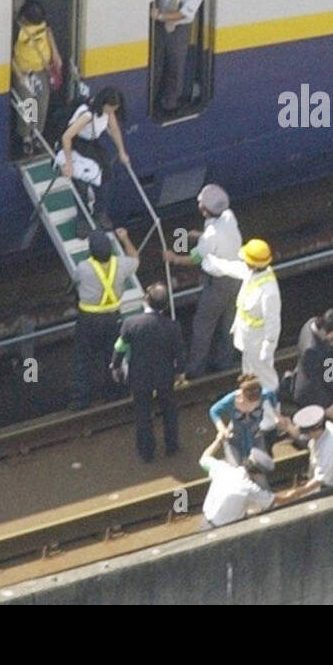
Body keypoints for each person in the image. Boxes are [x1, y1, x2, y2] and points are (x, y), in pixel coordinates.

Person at [165, 184, 243, 378]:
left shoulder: (210, 237)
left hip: (217, 284)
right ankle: (224, 363)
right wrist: (198, 236)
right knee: (228, 323)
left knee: (203, 327)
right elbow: (222, 237)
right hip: (237, 278)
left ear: (204, 210)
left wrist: (173, 258)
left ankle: (195, 370)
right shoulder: (229, 216)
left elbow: (196, 258)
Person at [111, 282, 185, 462]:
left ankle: (146, 452)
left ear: (146, 300)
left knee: (142, 414)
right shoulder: (173, 326)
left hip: (140, 375)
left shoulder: (131, 323)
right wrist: (180, 372)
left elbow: (120, 347)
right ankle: (172, 445)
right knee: (169, 409)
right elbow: (179, 352)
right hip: (164, 375)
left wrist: (115, 366)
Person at [70, 228, 140, 410]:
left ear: (91, 251)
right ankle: (116, 393)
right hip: (112, 319)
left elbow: (74, 282)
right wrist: (125, 238)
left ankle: (81, 400)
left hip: (88, 320)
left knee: (83, 359)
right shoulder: (122, 265)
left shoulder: (83, 268)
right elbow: (135, 258)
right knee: (112, 356)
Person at [204, 239, 281, 392]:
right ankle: (252, 406)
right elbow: (230, 267)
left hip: (258, 343)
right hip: (247, 339)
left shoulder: (269, 291)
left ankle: (270, 412)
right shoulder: (252, 273)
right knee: (249, 374)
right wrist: (209, 261)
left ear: (253, 263)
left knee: (265, 379)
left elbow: (273, 322)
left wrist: (268, 347)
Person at [58, 87, 130, 231]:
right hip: (76, 145)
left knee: (106, 175)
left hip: (92, 144)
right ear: (103, 104)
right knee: (82, 183)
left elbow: (114, 130)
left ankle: (100, 212)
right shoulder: (87, 115)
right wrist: (69, 164)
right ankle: (82, 219)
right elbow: (66, 137)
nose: (110, 113)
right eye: (109, 110)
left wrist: (122, 151)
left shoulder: (108, 112)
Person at [151, 0, 206, 114]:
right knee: (156, 63)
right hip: (158, 27)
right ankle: (151, 100)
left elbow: (185, 13)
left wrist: (160, 15)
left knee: (175, 65)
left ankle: (170, 103)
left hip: (180, 28)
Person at [275, 405, 333, 503]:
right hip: (324, 473)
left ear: (314, 431)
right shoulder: (324, 427)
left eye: (306, 433)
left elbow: (319, 480)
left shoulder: (329, 448)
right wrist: (288, 426)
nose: (305, 435)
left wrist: (296, 493)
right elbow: (302, 436)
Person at [11, 2, 61, 153]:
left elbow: (48, 32)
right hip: (25, 72)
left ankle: (37, 135)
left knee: (42, 103)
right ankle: (26, 137)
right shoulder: (17, 30)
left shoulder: (42, 23)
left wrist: (55, 53)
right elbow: (10, 55)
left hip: (41, 70)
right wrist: (18, 74)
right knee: (28, 104)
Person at [199, 432, 275, 529]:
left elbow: (203, 459)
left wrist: (218, 441)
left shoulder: (223, 468)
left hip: (205, 522)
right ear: (258, 475)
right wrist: (299, 492)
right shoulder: (250, 488)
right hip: (223, 530)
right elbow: (275, 501)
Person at [280, 308, 333, 413]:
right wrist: (328, 404)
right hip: (309, 391)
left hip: (312, 371)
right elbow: (314, 382)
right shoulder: (311, 350)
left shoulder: (311, 323)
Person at [208, 373, 280, 467]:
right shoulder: (231, 399)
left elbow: (272, 396)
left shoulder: (264, 394)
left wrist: (277, 415)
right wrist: (222, 428)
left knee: (260, 469)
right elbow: (214, 411)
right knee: (237, 470)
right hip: (235, 439)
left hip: (255, 438)